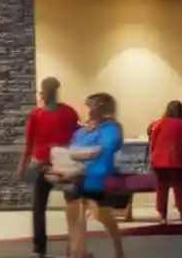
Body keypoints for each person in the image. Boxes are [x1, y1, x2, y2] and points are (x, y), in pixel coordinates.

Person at [18, 76, 80, 258]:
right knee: (73, 206)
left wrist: (22, 166)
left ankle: (39, 248)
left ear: (42, 93)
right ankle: (75, 247)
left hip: (42, 164)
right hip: (65, 162)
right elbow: (76, 137)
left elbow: (29, 144)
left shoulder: (36, 115)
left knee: (39, 207)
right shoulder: (69, 112)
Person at [58, 92, 125, 258]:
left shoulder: (110, 128)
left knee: (102, 214)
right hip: (77, 175)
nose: (88, 111)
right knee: (74, 215)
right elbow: (74, 145)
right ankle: (75, 252)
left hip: (97, 176)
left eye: (91, 107)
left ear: (101, 109)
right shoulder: (85, 129)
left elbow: (109, 146)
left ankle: (118, 250)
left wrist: (90, 137)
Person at [148, 100, 182, 224]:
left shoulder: (159, 123)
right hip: (179, 160)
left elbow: (153, 141)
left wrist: (153, 158)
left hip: (160, 160)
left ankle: (162, 216)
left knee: (162, 189)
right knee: (180, 189)